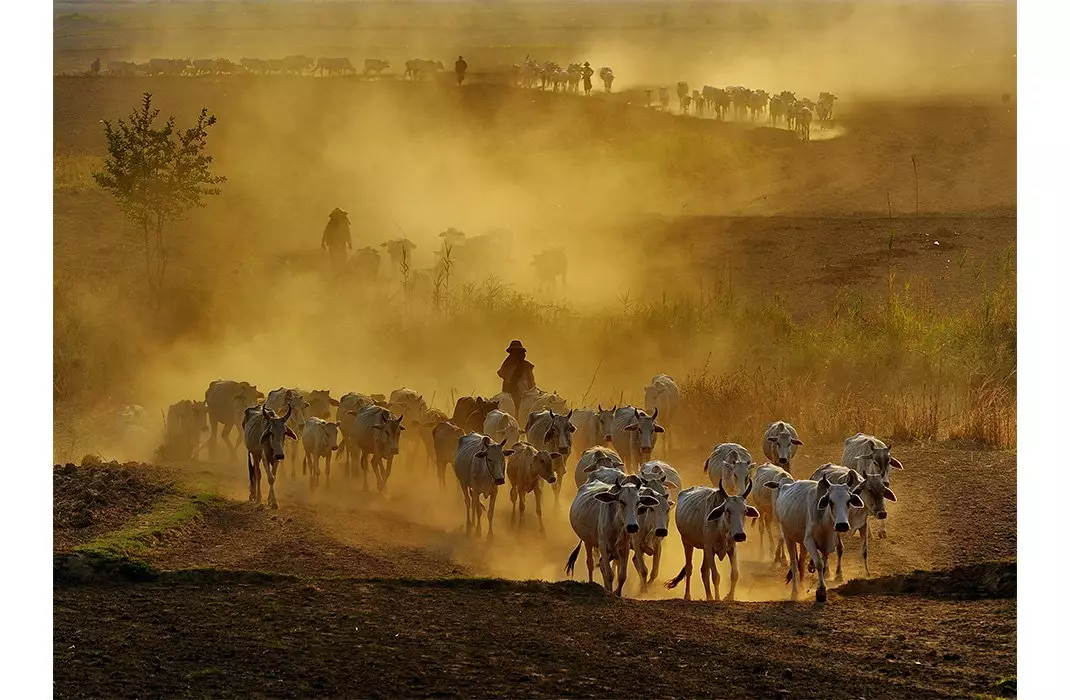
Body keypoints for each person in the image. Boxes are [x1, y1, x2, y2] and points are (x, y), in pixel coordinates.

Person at [497, 340, 536, 413]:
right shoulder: (507, 365)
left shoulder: (526, 366)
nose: (515, 354)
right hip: (509, 395)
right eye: (513, 352)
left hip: (526, 395)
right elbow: (504, 377)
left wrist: (530, 392)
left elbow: (531, 382)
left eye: (517, 352)